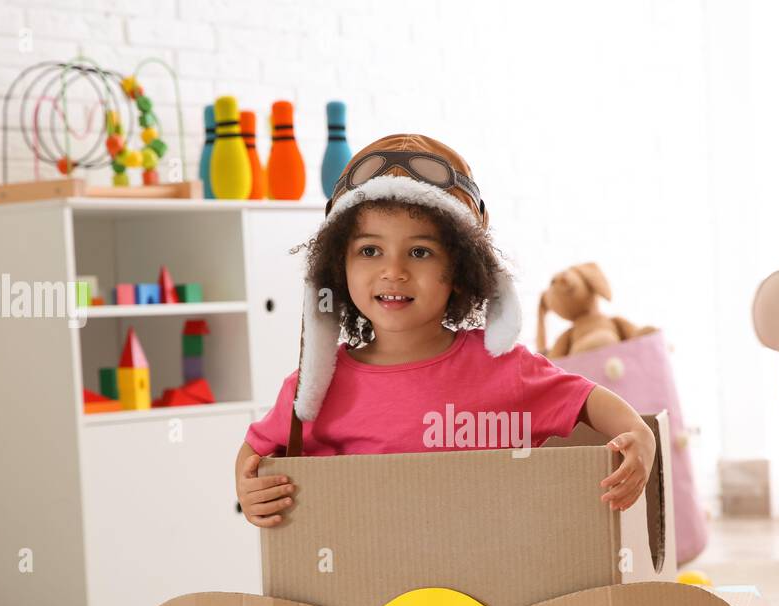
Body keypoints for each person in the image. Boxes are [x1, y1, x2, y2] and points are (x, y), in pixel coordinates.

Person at [234, 133, 655, 529]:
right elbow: (256, 451)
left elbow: (589, 402)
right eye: (369, 250)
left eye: (420, 252)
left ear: (459, 268)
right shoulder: (315, 387)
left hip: (488, 586)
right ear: (338, 267)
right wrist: (249, 491)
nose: (393, 271)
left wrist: (641, 438)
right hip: (370, 588)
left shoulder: (505, 370)